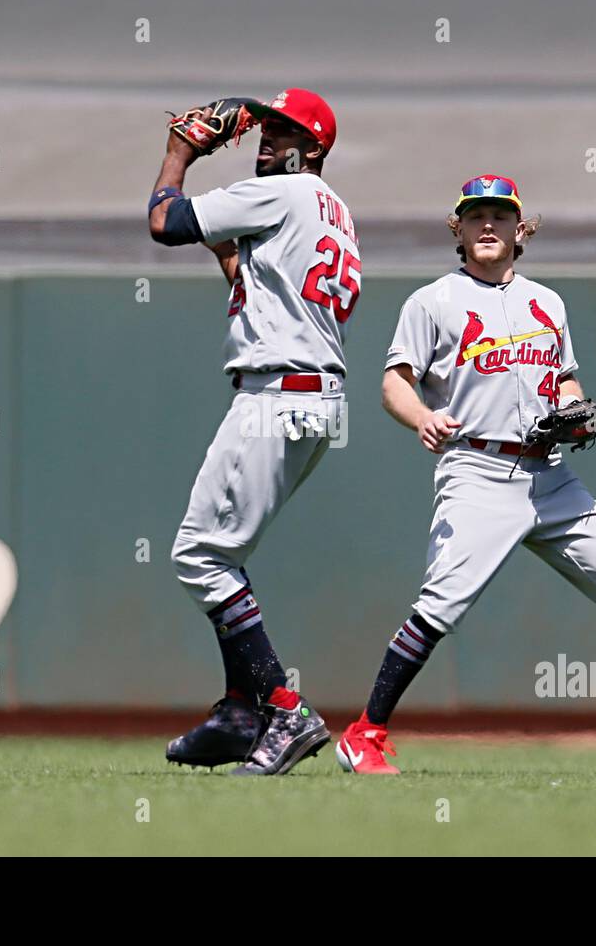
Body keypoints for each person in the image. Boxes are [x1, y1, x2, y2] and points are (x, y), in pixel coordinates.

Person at [334, 174, 596, 776]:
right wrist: (423, 418)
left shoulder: (548, 302)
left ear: (520, 228)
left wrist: (575, 414)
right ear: (457, 228)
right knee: (439, 607)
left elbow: (565, 384)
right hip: (477, 469)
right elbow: (391, 384)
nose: (488, 224)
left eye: (500, 214)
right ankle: (364, 734)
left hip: (550, 476)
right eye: (475, 214)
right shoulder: (432, 301)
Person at [147, 89, 362, 775]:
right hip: (309, 396)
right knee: (223, 554)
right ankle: (241, 712)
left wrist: (181, 151)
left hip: (277, 392)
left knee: (197, 556)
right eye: (266, 126)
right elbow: (249, 276)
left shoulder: (285, 192)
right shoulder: (332, 210)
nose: (269, 137)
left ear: (315, 148)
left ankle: (282, 705)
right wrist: (225, 235)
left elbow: (164, 221)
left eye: (286, 129)